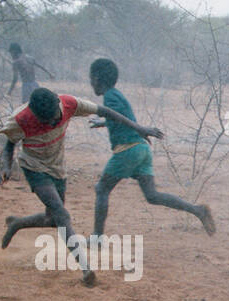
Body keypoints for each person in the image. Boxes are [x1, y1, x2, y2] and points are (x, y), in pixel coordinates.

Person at [0, 87, 162, 287]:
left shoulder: (69, 103)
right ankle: (86, 269)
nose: (52, 124)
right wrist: (7, 167)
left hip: (57, 168)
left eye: (55, 118)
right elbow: (9, 145)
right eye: (46, 122)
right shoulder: (20, 120)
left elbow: (106, 112)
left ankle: (17, 224)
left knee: (53, 220)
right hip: (34, 168)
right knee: (62, 214)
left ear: (59, 106)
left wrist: (138, 128)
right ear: (35, 115)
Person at [87, 58, 214, 237]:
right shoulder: (116, 94)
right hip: (141, 150)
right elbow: (119, 117)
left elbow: (120, 118)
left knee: (102, 189)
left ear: (97, 78)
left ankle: (97, 238)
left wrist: (140, 128)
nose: (91, 82)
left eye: (91, 78)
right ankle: (197, 210)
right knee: (152, 195)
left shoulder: (110, 96)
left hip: (128, 150)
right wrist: (103, 122)